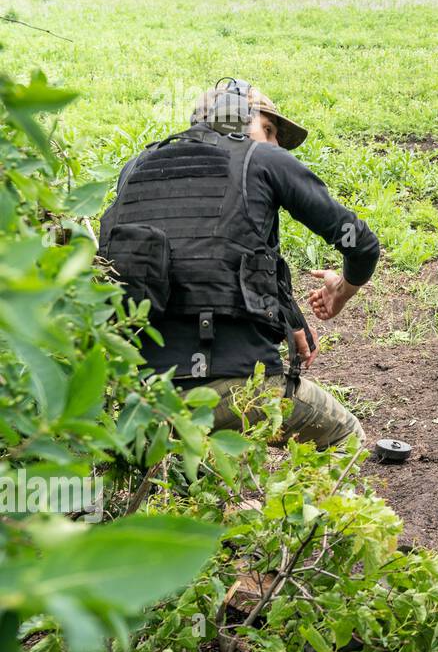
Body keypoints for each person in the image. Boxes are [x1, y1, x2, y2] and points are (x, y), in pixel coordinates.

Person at [98, 78, 380, 448]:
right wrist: (342, 291)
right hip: (234, 387)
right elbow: (361, 244)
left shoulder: (135, 167)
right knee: (345, 436)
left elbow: (202, 258)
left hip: (146, 403)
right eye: (267, 129)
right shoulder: (262, 159)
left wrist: (286, 318)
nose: (274, 143)